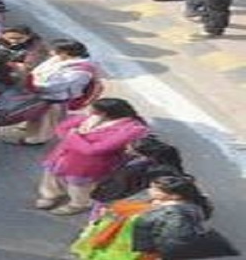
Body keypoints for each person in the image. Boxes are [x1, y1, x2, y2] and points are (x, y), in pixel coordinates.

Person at [37, 98, 151, 216]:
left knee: (79, 186)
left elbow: (94, 150)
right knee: (52, 176)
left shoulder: (132, 129)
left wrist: (73, 136)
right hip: (62, 155)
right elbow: (62, 127)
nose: (88, 112)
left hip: (88, 164)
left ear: (104, 113)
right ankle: (50, 195)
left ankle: (78, 204)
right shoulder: (92, 117)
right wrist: (76, 136)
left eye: (92, 110)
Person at [73, 176, 231, 260]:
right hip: (120, 241)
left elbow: (174, 243)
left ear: (174, 195)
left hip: (133, 251)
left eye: (156, 189)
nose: (150, 190)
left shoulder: (177, 217)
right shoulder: (161, 202)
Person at [13, 38, 99, 145]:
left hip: (55, 98)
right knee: (37, 117)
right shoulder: (60, 59)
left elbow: (55, 86)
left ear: (65, 53)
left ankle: (36, 139)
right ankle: (32, 132)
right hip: (43, 93)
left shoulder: (80, 71)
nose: (51, 52)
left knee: (45, 121)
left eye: (54, 50)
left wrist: (32, 84)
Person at [90, 135, 187, 206]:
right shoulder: (140, 161)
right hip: (113, 194)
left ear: (141, 153)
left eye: (130, 149)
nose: (126, 150)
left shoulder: (151, 170)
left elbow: (131, 187)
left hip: (117, 198)